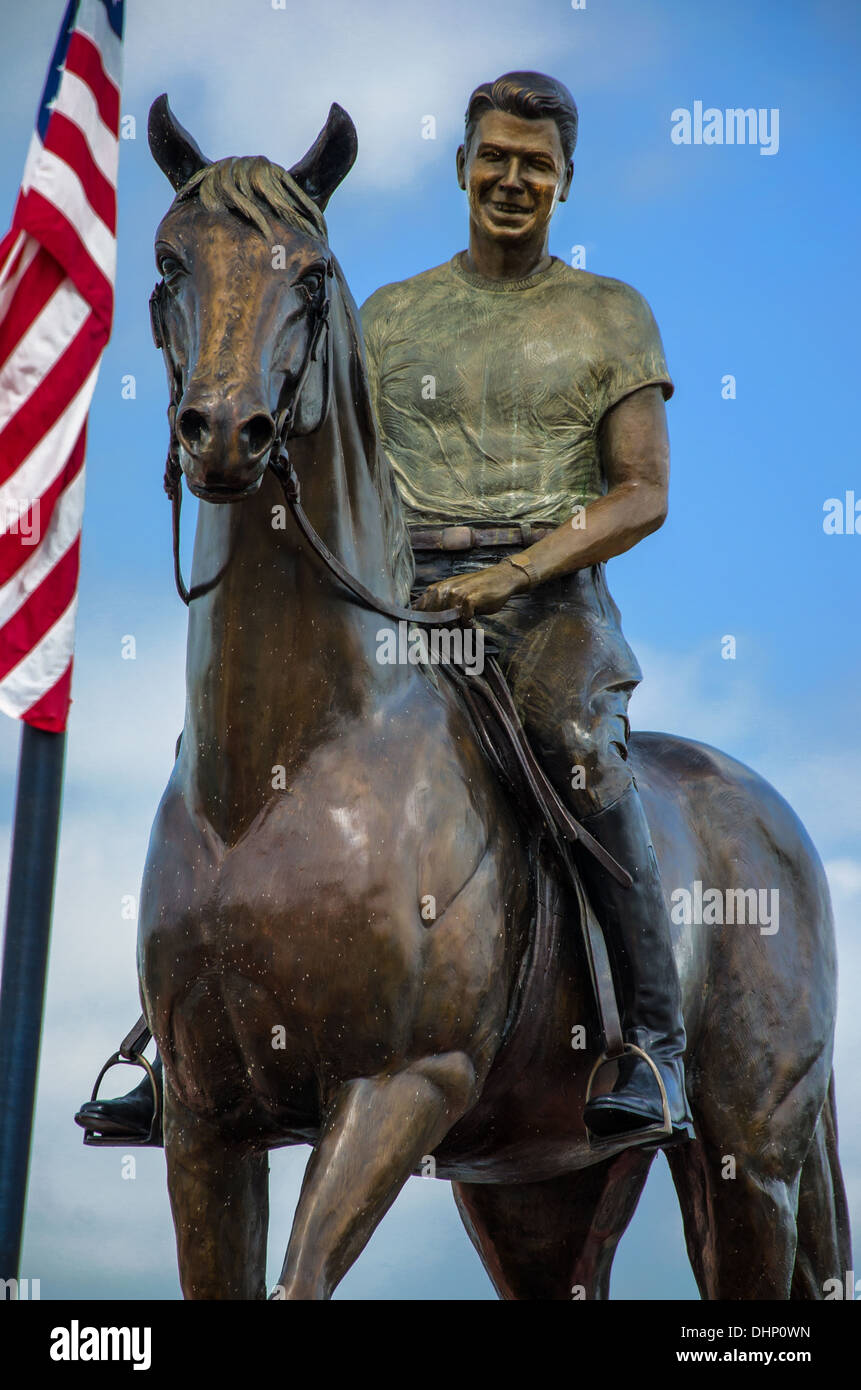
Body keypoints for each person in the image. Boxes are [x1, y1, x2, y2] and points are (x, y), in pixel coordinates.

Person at [76, 70, 692, 1148]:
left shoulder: (610, 313)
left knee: (581, 753)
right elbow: (323, 448)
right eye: (494, 157)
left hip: (547, 607)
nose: (513, 177)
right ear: (461, 167)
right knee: (235, 732)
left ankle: (653, 1037)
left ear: (566, 181)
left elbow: (644, 490)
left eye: (536, 164)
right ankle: (175, 1038)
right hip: (398, 597)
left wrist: (513, 574)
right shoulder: (391, 314)